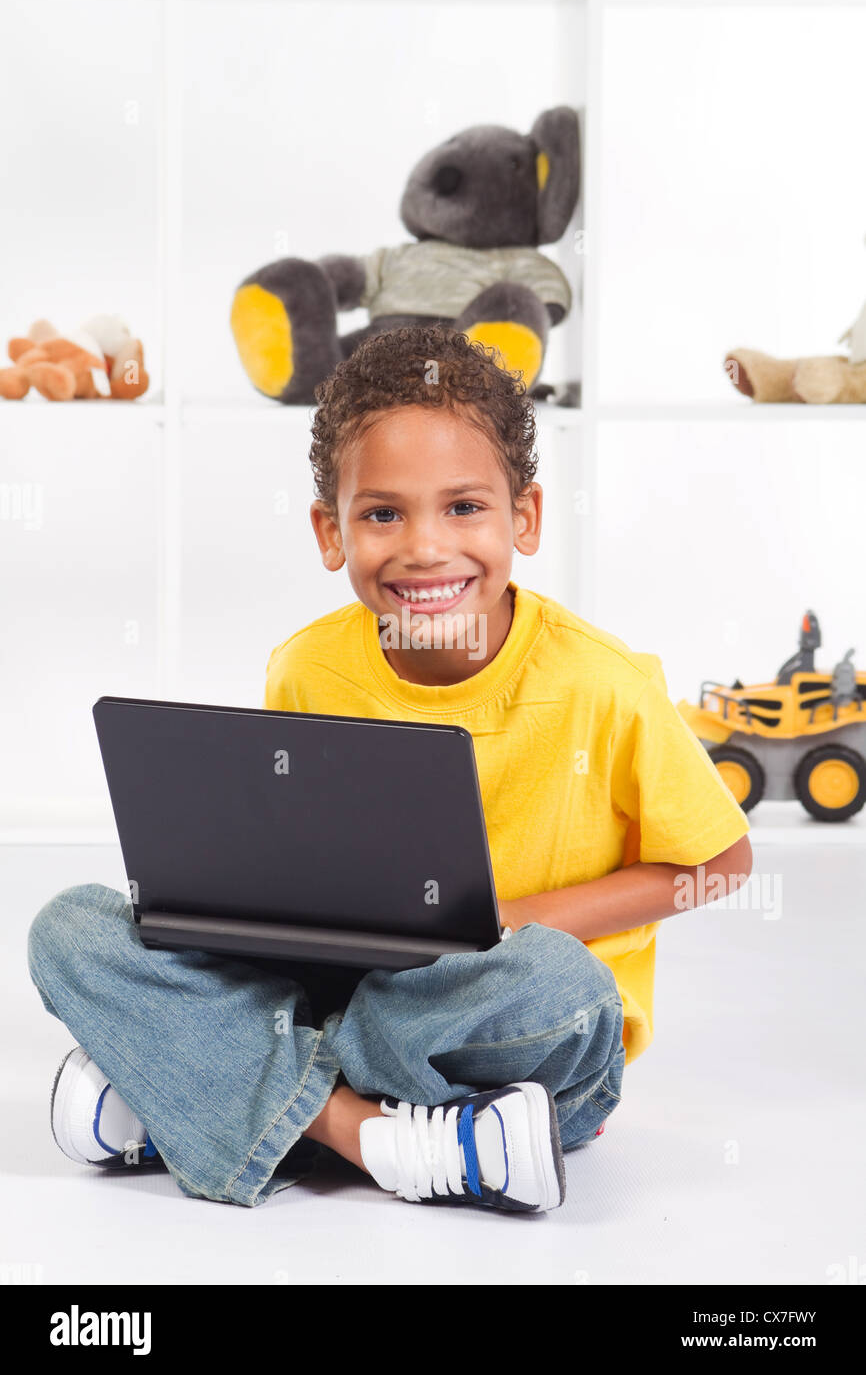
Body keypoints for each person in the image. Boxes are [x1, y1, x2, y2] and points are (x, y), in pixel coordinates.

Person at [28, 324, 752, 1214]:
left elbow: (722, 865)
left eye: (463, 508)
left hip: (489, 1015)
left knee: (563, 988)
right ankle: (373, 1134)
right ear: (331, 532)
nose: (424, 547)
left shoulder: (604, 683)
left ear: (522, 517)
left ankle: (207, 1086)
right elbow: (289, 858)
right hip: (349, 990)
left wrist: (515, 919)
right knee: (71, 929)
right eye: (381, 514)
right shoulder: (305, 666)